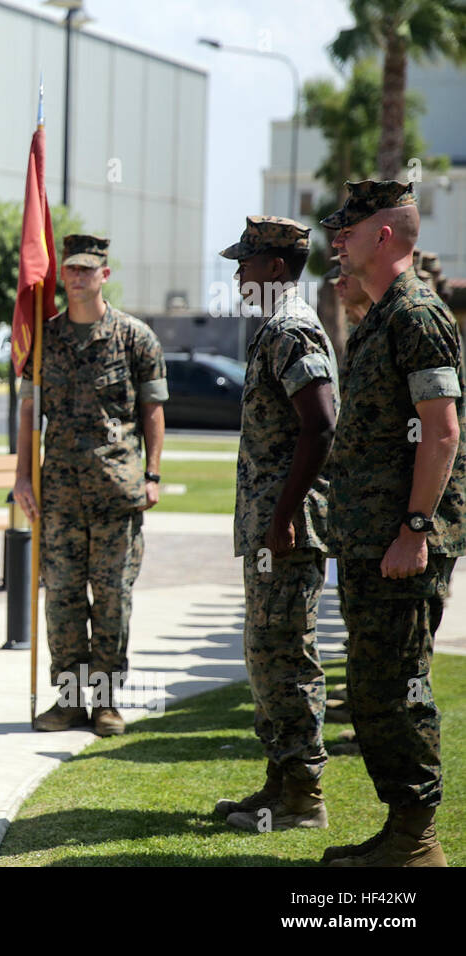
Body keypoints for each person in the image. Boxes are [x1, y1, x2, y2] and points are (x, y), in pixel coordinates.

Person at [321, 180, 465, 867]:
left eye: (348, 230)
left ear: (383, 235)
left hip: (401, 543)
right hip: (370, 540)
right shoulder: (381, 316)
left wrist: (415, 529)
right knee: (375, 686)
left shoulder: (417, 315)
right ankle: (402, 832)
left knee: (398, 684)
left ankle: (418, 842)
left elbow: (442, 432)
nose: (337, 240)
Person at [211, 216, 338, 832]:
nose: (238, 274)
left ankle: (302, 798)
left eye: (247, 263)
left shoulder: (292, 330)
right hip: (271, 527)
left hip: (288, 530)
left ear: (277, 269)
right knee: (267, 654)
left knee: (284, 654)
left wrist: (284, 516)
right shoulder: (274, 329)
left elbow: (320, 425)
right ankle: (281, 782)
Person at [12, 234, 167, 737]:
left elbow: (152, 411)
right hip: (57, 493)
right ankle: (70, 700)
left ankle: (104, 702)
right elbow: (29, 410)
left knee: (113, 600)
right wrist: (21, 475)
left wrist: (153, 474)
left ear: (105, 274)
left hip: (115, 492)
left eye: (87, 270)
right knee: (61, 600)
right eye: (71, 270)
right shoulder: (44, 339)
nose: (77, 278)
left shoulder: (135, 337)